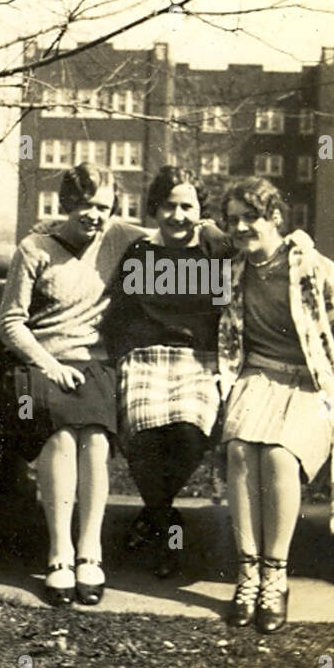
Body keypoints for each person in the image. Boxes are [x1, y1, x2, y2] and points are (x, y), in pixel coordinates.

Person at [217, 177, 334, 634]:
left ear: (276, 218)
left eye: (252, 217)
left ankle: (275, 577)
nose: (243, 227)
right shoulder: (234, 269)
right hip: (257, 376)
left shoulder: (313, 267)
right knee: (241, 450)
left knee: (281, 456)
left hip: (311, 383)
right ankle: (247, 574)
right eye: (234, 219)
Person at [0, 162, 145, 606]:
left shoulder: (119, 239)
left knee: (95, 441)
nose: (94, 215)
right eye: (83, 205)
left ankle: (90, 552)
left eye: (102, 206)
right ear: (66, 204)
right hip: (36, 364)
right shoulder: (34, 248)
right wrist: (48, 364)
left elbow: (179, 233)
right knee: (61, 438)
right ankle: (59, 552)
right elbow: (10, 322)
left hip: (92, 364)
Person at [103, 165, 231, 577]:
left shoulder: (215, 251)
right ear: (155, 209)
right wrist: (124, 357)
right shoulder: (140, 253)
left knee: (189, 431)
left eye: (188, 207)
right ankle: (168, 525)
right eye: (169, 206)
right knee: (142, 431)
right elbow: (119, 316)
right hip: (144, 358)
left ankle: (156, 518)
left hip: (199, 361)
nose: (178, 216)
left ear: (201, 210)